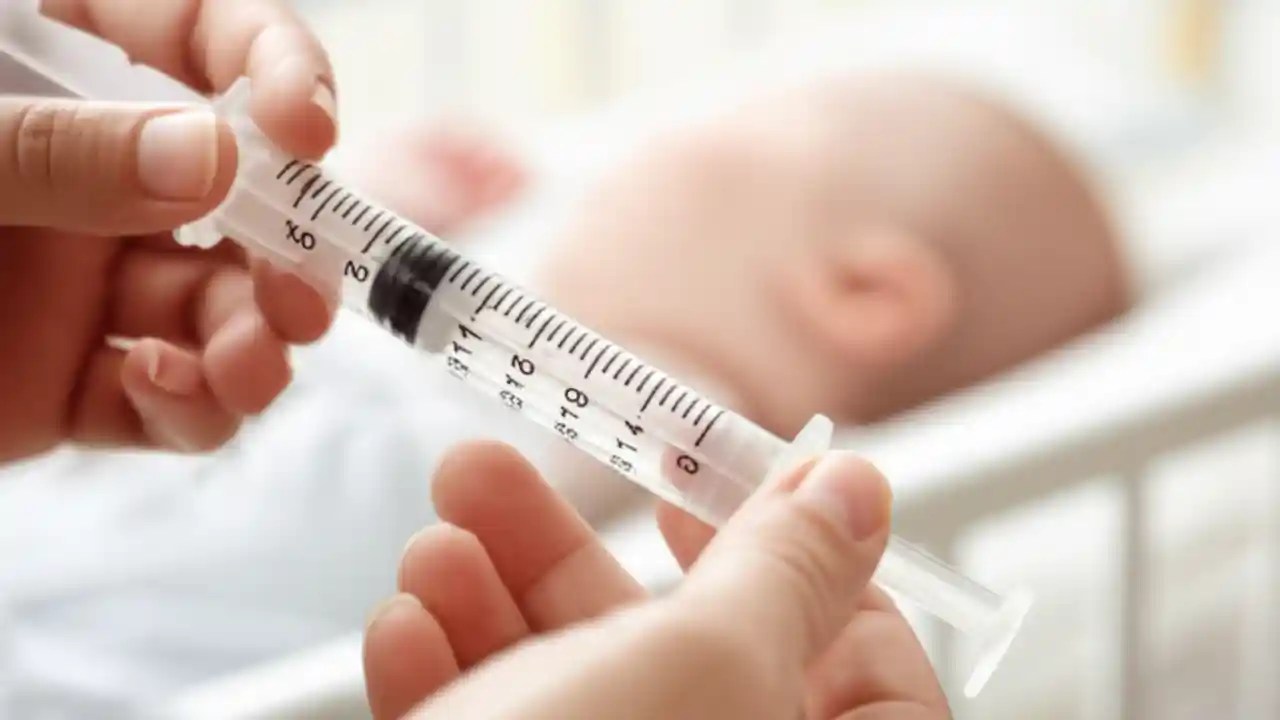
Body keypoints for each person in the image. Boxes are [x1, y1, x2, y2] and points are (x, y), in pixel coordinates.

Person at [0, 3, 943, 718]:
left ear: (861, 292)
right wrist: (344, 205)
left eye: (720, 136)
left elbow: (360, 483)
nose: (622, 161)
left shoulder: (674, 407)